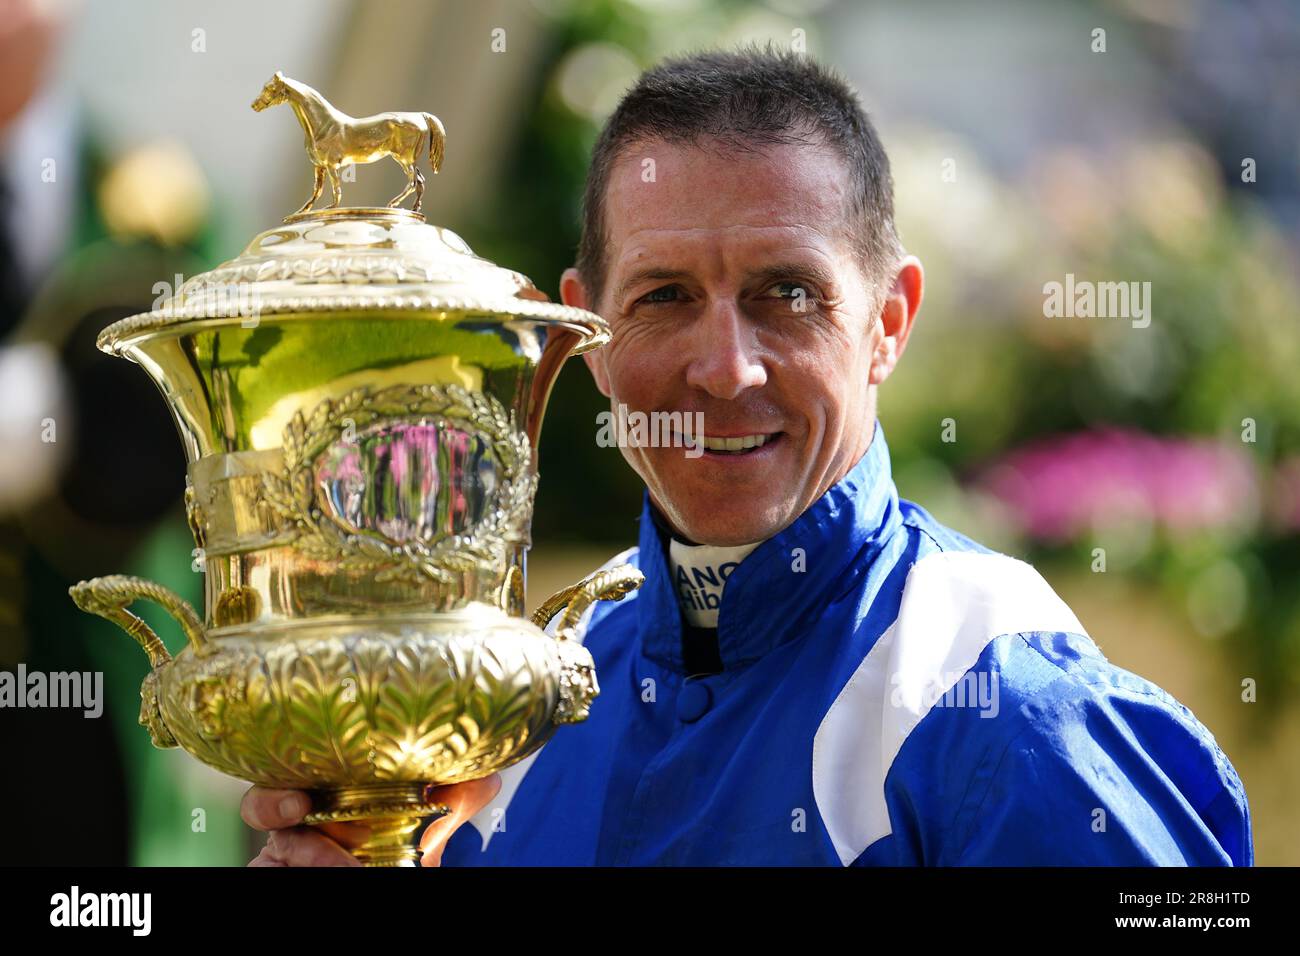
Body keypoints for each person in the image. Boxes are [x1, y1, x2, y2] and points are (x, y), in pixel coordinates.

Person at [243, 47, 1252, 867]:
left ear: (888, 320)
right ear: (582, 333)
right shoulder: (509, 713)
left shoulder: (1006, 709)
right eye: (665, 297)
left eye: (787, 294)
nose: (725, 370)